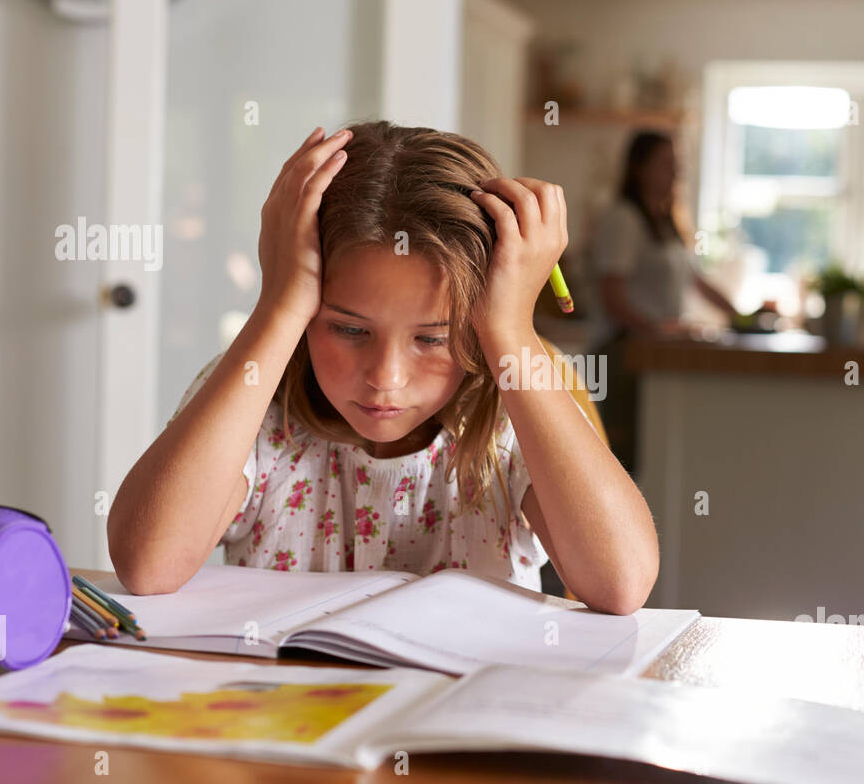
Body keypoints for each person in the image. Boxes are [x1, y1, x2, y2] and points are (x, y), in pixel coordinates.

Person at [107, 121, 658, 615]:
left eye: (433, 338)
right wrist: (277, 304)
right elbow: (149, 565)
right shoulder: (257, 393)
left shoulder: (511, 396)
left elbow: (621, 583)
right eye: (348, 329)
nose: (386, 378)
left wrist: (512, 334)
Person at [585, 131, 768, 473]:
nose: (676, 174)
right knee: (620, 459)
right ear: (640, 168)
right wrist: (658, 329)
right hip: (624, 354)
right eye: (666, 165)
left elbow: (698, 282)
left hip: (654, 352)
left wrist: (743, 318)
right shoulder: (623, 219)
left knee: (651, 455)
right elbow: (613, 295)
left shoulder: (666, 224)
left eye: (676, 165)